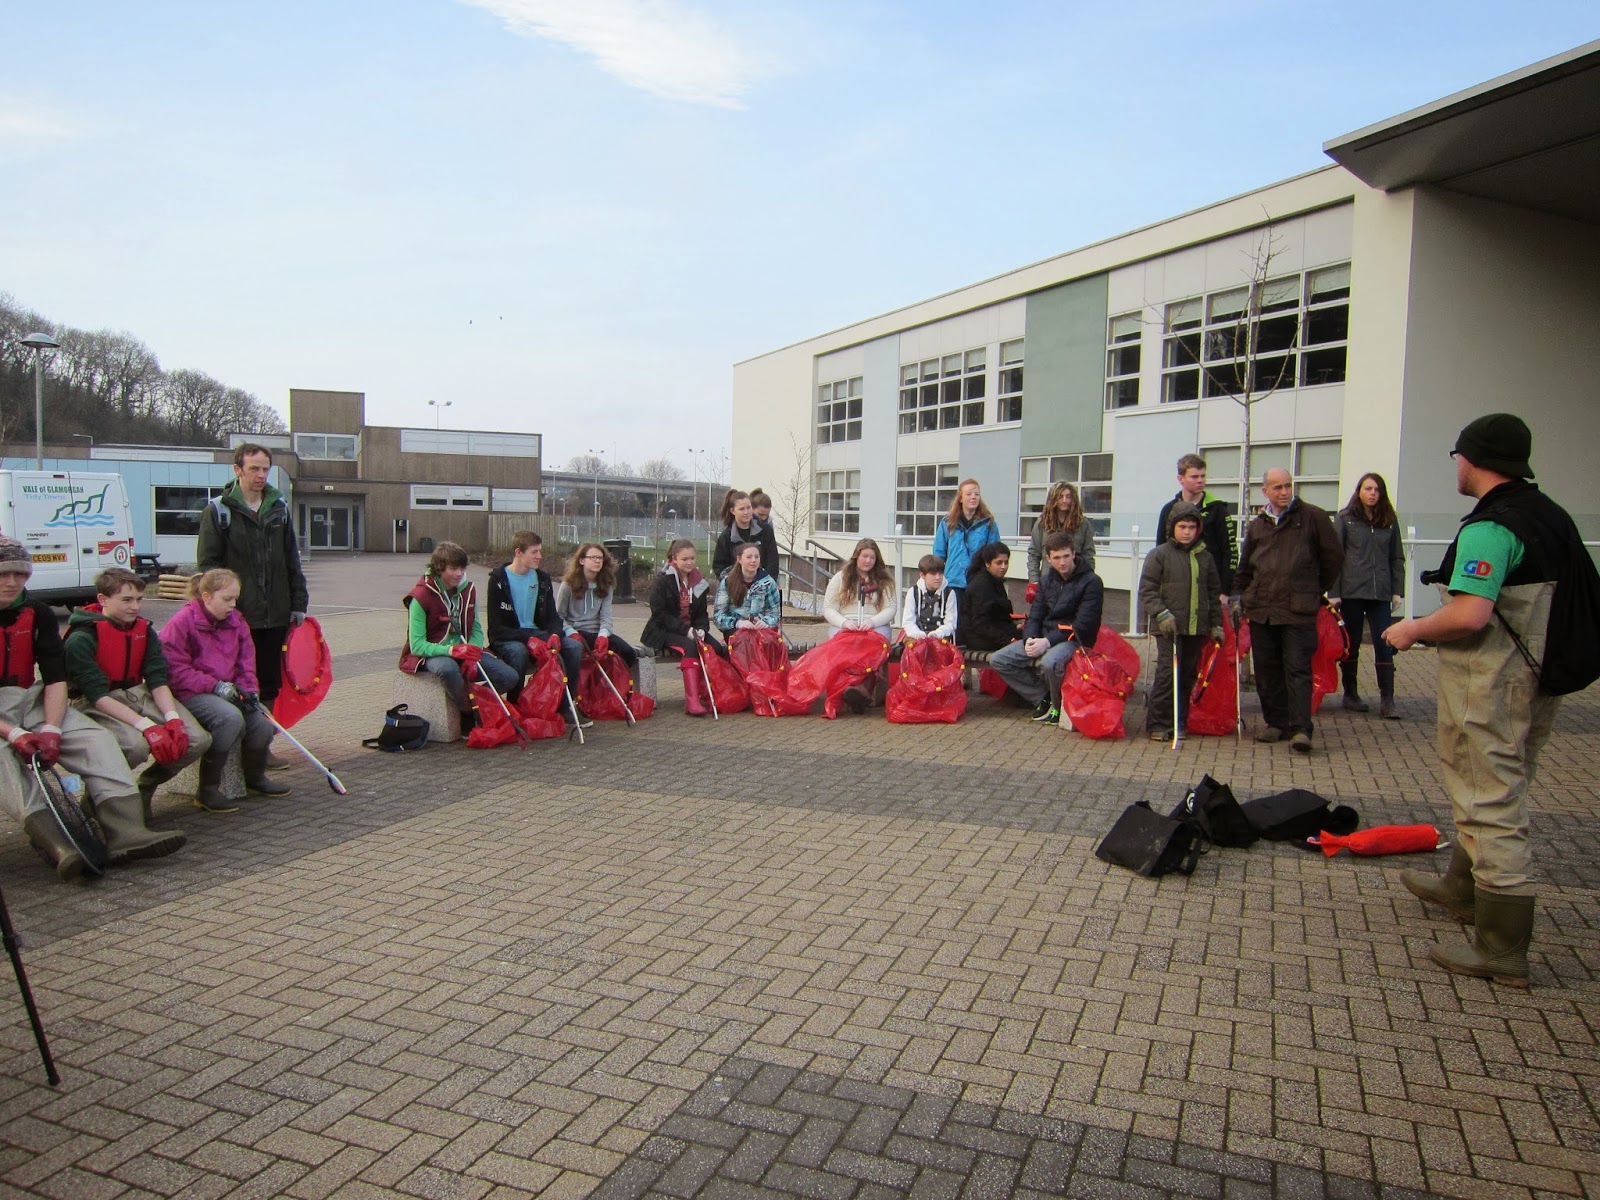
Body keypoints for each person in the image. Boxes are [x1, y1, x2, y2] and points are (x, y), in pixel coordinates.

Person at [1385, 414, 1589, 988]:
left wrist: (1415, 629)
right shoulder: (1551, 516)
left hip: (1490, 681)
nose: (1456, 466)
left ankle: (1501, 947)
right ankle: (1463, 885)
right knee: (1500, 783)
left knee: (1487, 797)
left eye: (1458, 457)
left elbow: (1471, 613)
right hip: (1536, 677)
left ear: (1473, 459)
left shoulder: (1491, 528)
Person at [0, 537, 186, 879]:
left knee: (97, 740)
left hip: (31, 698)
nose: (12, 582)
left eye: (19, 574)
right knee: (4, 762)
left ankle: (127, 832)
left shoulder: (37, 613)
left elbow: (55, 677)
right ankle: (60, 844)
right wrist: (14, 733)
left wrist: (52, 730)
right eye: (3, 574)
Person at [196, 442, 310, 767]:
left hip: (275, 614)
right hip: (235, 618)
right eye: (254, 469)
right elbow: (208, 568)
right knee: (239, 684)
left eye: (265, 469)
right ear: (238, 470)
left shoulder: (279, 508)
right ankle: (235, 750)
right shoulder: (218, 511)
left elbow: (292, 560)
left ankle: (261, 749)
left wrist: (298, 603)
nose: (261, 475)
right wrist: (217, 610)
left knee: (269, 682)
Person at [64, 567, 211, 819]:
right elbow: (97, 695)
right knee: (135, 746)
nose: (135, 607)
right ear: (103, 600)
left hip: (137, 691)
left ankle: (147, 783)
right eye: (126, 600)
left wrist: (172, 717)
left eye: (139, 599)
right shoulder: (81, 639)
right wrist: (147, 726)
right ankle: (98, 798)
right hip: (96, 701)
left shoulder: (143, 630)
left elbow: (157, 678)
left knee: (197, 739)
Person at [1232, 467, 1343, 754]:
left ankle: (1301, 728)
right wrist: (1241, 595)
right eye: (1277, 487)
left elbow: (1333, 557)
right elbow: (1246, 566)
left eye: (1287, 486)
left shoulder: (1313, 517)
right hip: (1262, 609)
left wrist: (1313, 589)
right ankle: (1276, 723)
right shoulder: (1257, 524)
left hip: (1298, 609)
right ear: (1265, 491)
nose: (1284, 492)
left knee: (1297, 669)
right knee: (1267, 670)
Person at [163, 568, 293, 811]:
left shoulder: (237, 622)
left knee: (263, 720)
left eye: (235, 598)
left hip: (229, 689)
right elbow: (175, 670)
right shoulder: (182, 623)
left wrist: (249, 689)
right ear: (206, 596)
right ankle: (208, 789)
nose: (233, 604)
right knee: (229, 718)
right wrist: (215, 685)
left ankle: (255, 777)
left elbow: (246, 662)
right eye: (227, 599)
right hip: (192, 692)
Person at [398, 542, 521, 727]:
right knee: (447, 668)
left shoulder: (468, 591)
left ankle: (477, 701)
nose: (459, 574)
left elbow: (477, 629)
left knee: (509, 676)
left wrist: (472, 652)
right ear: (439, 568)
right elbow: (417, 645)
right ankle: (467, 713)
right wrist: (452, 650)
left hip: (464, 650)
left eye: (462, 568)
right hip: (434, 653)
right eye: (453, 568)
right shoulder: (420, 597)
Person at [990, 533, 1103, 722]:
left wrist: (1047, 642)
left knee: (1049, 662)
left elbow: (1083, 625)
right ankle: (1043, 697)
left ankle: (1058, 707)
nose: (1062, 562)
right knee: (998, 659)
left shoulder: (1091, 582)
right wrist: (1030, 639)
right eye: (1056, 558)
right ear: (1048, 559)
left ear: (1074, 554)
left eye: (1066, 556)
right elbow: (1035, 614)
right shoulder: (1046, 580)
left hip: (1074, 640)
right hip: (1043, 636)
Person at [1138, 504, 1223, 741]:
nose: (1187, 532)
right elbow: (1147, 589)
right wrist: (1161, 614)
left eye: (1192, 527)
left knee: (1187, 674)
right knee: (1167, 673)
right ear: (1172, 528)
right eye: (1182, 527)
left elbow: (1213, 594)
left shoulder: (1205, 557)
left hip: (1197, 626)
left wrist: (1216, 624)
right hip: (1168, 627)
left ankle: (1178, 722)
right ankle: (1158, 723)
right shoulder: (1160, 554)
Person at [1330, 473, 1406, 718]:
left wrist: (1397, 590)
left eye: (1376, 489)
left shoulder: (1389, 521)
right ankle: (1350, 694)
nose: (1372, 493)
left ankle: (1388, 700)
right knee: (1350, 644)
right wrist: (1334, 592)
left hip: (1380, 592)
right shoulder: (1345, 519)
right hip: (1351, 592)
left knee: (1385, 643)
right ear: (1359, 491)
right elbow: (1334, 556)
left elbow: (1396, 557)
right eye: (1368, 488)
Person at [643, 539, 723, 716]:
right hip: (664, 631)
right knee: (690, 647)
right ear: (674, 559)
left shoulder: (699, 581)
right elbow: (659, 613)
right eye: (685, 559)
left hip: (692, 629)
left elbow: (701, 612)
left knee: (716, 648)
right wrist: (686, 631)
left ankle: (712, 694)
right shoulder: (663, 580)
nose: (689, 563)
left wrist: (702, 628)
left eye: (692, 558)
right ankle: (692, 701)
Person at [1156, 454, 1238, 599]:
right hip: (1176, 587)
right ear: (1180, 479)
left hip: (1210, 588)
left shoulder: (1218, 510)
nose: (1200, 481)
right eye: (1194, 477)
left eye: (1203, 476)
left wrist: (1225, 590)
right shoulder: (1168, 510)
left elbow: (1230, 551)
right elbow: (1160, 549)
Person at [486, 531, 565, 680]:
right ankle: (515, 701)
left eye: (540, 551)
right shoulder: (498, 580)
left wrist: (555, 634)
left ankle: (565, 701)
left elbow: (553, 617)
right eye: (534, 552)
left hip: (539, 634)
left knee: (572, 647)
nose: (539, 556)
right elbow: (496, 629)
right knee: (518, 652)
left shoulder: (542, 579)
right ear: (519, 552)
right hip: (508, 638)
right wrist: (529, 637)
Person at [557, 542, 638, 682]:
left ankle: (616, 688)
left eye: (600, 558)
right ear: (582, 560)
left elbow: (606, 616)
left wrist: (603, 635)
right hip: (576, 632)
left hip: (597, 632)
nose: (597, 561)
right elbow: (559, 616)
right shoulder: (568, 585)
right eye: (593, 557)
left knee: (628, 652)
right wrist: (571, 632)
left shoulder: (606, 584)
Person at [932, 479, 1000, 636]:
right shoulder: (947, 523)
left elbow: (994, 552)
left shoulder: (988, 523)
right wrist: (937, 578)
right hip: (954, 580)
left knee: (978, 622)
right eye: (969, 494)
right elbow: (939, 553)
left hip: (979, 581)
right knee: (955, 623)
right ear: (960, 498)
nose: (973, 497)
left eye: (976, 494)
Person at [1026, 482, 1096, 591]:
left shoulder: (1083, 524)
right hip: (1048, 582)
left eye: (1068, 496)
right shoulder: (1041, 524)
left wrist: (1088, 581)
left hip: (1075, 583)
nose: (1065, 500)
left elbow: (1088, 555)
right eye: (1060, 496)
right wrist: (1034, 581)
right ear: (1053, 499)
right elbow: (1034, 554)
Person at [823, 539, 896, 641]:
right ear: (856, 556)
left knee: (875, 644)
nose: (868, 561)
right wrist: (844, 622)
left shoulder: (885, 581)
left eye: (872, 558)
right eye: (865, 556)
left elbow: (890, 608)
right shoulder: (839, 578)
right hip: (844, 625)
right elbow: (828, 608)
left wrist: (872, 622)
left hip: (876, 626)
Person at [962, 543, 1021, 652]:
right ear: (987, 563)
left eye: (1006, 563)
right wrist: (1009, 639)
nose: (1003, 567)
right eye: (999, 563)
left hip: (994, 634)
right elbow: (980, 624)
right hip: (980, 639)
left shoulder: (994, 580)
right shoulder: (981, 585)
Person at [714, 542, 782, 634]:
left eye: (756, 557)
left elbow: (775, 614)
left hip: (761, 631)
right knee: (744, 641)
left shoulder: (768, 583)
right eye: (749, 557)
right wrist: (738, 623)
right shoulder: (727, 582)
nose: (753, 560)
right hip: (735, 630)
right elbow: (718, 616)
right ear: (739, 559)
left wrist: (765, 622)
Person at [712, 490, 779, 578]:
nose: (746, 512)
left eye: (748, 507)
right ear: (733, 511)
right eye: (741, 509)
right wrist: (734, 583)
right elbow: (719, 567)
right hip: (736, 588)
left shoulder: (766, 531)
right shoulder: (726, 537)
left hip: (763, 587)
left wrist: (766, 584)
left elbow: (773, 562)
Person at [899, 555, 956, 646]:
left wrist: (937, 634)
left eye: (940, 573)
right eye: (933, 574)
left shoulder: (949, 593)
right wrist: (919, 635)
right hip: (916, 635)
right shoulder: (913, 592)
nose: (938, 577)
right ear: (922, 575)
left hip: (941, 635)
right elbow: (908, 621)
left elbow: (951, 623)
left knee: (939, 649)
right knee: (914, 649)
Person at [747, 488, 782, 580]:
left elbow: (772, 556)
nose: (764, 518)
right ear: (752, 509)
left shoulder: (768, 526)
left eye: (767, 515)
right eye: (761, 514)